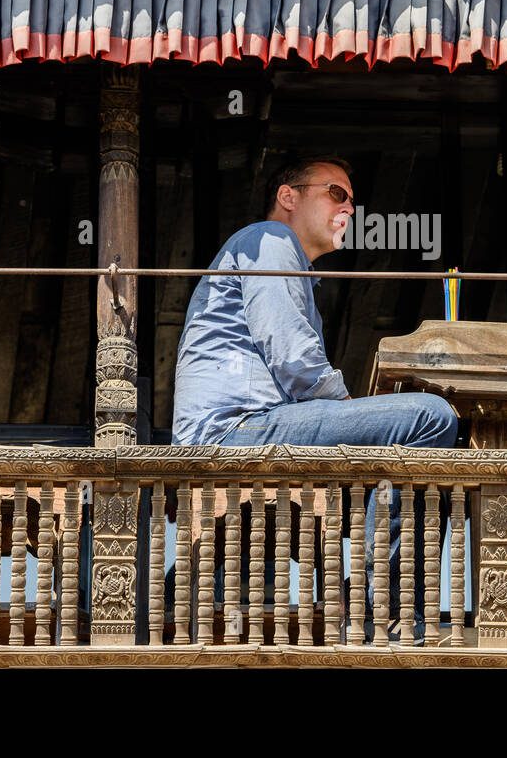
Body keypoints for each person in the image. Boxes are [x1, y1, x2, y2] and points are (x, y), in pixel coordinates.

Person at [173, 154, 458, 641]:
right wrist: (350, 407)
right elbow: (292, 355)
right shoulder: (270, 240)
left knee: (402, 458)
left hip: (253, 425)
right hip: (234, 429)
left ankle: (369, 596)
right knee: (430, 418)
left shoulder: (291, 262)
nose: (349, 208)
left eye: (353, 200)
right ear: (289, 196)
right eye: (336, 193)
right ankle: (372, 601)